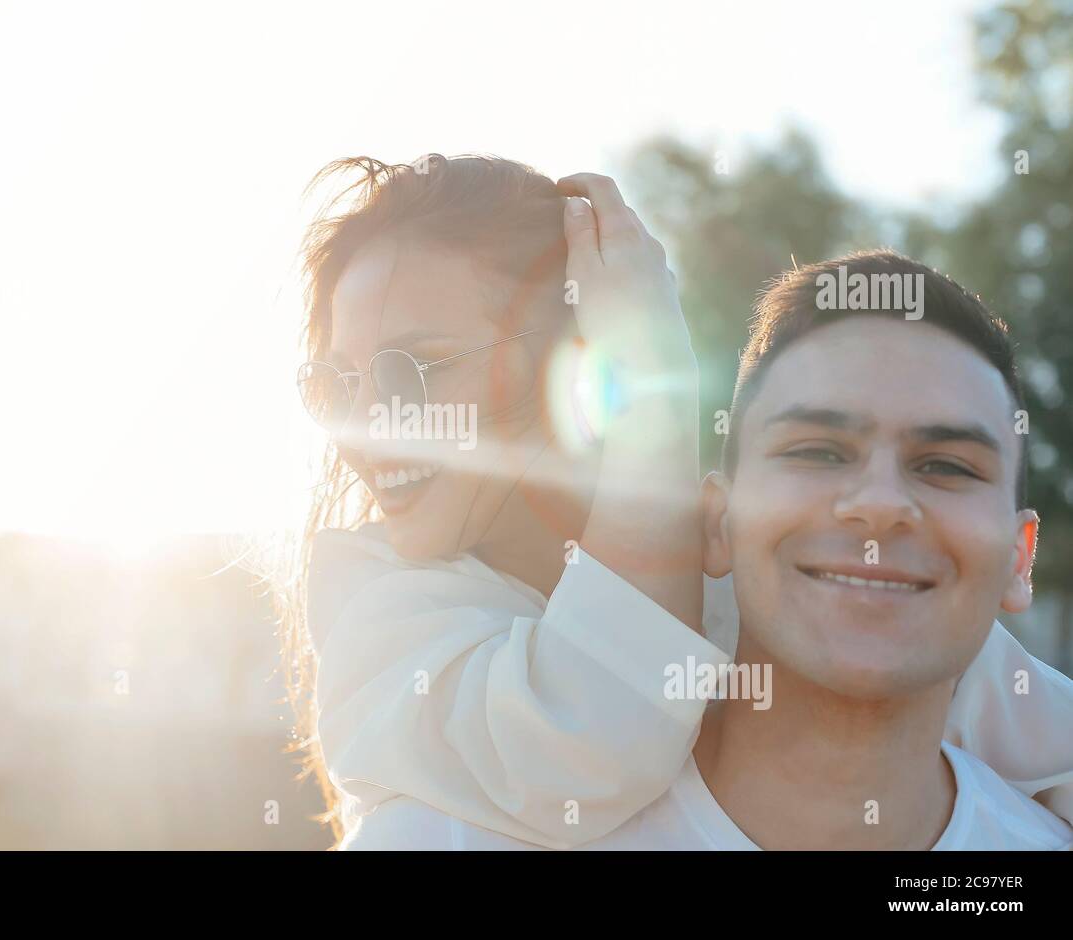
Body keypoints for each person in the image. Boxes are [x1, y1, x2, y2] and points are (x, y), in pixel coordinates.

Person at [282, 154, 1073, 848]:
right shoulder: (375, 616)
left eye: (412, 370)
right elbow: (589, 745)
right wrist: (656, 380)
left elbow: (1028, 718)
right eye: (336, 384)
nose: (369, 425)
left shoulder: (767, 559)